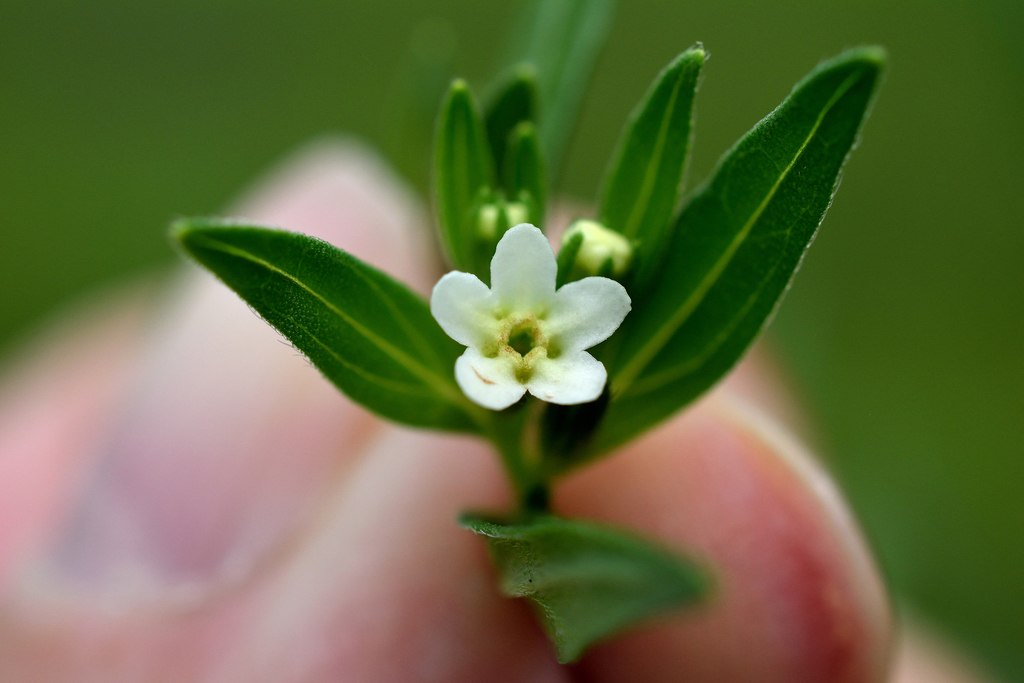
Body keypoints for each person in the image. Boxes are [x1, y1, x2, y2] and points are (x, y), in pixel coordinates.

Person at [0, 143, 993, 682]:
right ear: (487, 326)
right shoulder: (489, 344)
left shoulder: (554, 335)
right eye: (513, 338)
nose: (521, 344)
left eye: (532, 340)